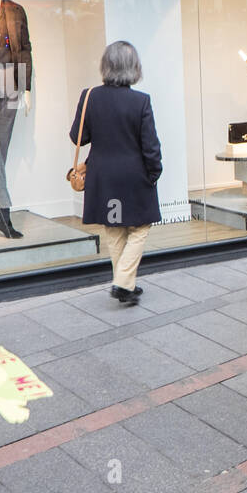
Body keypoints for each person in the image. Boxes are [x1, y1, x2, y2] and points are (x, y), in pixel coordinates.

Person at [70, 42, 162, 307]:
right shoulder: (140, 101)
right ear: (134, 68)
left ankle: (125, 283)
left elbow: (78, 137)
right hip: (134, 177)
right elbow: (150, 145)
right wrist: (154, 172)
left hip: (103, 178)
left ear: (105, 66)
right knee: (140, 227)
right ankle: (123, 282)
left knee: (115, 228)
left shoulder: (90, 96)